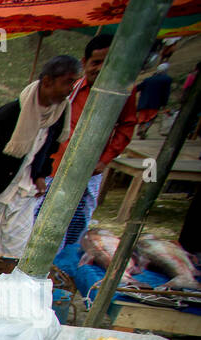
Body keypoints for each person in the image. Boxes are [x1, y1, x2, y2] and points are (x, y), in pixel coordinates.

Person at [0, 56, 79, 259]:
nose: (71, 89)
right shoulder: (9, 115)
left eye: (74, 83)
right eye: (68, 82)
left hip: (24, 192)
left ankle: (2, 288)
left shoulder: (58, 115)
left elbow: (49, 149)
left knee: (14, 251)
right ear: (48, 81)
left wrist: (40, 174)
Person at [38, 35, 138, 251]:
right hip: (54, 165)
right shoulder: (70, 88)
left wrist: (103, 161)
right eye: (96, 63)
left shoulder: (123, 94)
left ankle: (64, 265)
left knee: (76, 222)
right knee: (39, 216)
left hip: (89, 171)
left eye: (108, 63)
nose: (100, 69)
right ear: (85, 63)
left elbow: (126, 126)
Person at [135, 63, 171, 138]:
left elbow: (137, 88)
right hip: (155, 103)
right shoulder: (166, 80)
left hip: (143, 103)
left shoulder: (148, 80)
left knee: (142, 118)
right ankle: (144, 128)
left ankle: (140, 130)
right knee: (151, 118)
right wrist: (164, 103)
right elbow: (166, 93)